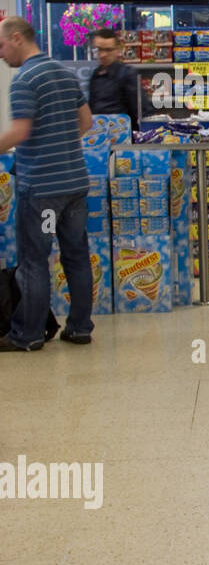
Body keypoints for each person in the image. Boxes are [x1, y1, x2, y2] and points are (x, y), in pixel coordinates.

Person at [0, 17, 95, 352]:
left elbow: (19, 132)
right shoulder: (64, 73)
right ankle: (80, 328)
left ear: (16, 38)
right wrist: (61, 143)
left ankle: (28, 335)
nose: (1, 55)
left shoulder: (24, 79)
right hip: (75, 185)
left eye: (1, 46)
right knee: (77, 257)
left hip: (43, 191)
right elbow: (87, 121)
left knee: (35, 261)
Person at [86, 28, 138, 132]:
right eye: (99, 49)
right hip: (99, 137)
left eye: (108, 50)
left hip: (122, 138)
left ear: (118, 50)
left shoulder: (127, 74)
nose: (103, 54)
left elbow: (139, 110)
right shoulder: (94, 75)